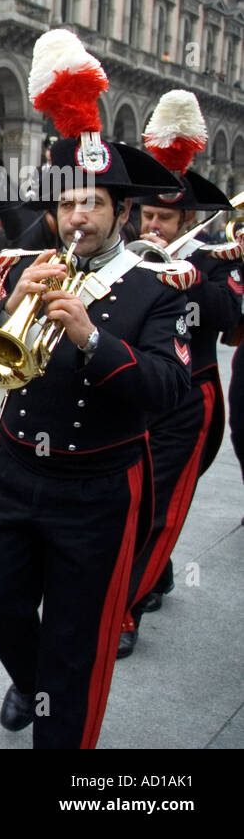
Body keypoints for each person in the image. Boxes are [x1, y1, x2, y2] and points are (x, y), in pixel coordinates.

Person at [0, 29, 189, 748]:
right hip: (21, 469)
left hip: (97, 487)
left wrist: (92, 338)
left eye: (92, 203)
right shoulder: (28, 265)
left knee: (77, 643)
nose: (77, 217)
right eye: (66, 205)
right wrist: (7, 304)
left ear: (119, 210)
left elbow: (167, 389)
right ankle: (30, 683)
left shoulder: (156, 287)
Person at [118, 89, 243, 657]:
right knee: (130, 502)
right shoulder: (130, 257)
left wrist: (191, 274)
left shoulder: (214, 263)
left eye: (165, 217)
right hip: (137, 392)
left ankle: (124, 612)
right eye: (147, 214)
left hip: (190, 399)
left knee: (162, 506)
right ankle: (157, 574)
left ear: (186, 219)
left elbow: (230, 320)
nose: (154, 225)